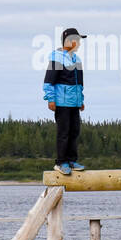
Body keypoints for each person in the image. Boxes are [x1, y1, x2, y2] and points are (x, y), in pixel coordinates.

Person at [43, 27, 87, 175]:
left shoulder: (77, 60)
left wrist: (80, 100)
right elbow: (49, 82)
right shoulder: (56, 58)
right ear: (69, 41)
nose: (79, 44)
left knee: (75, 131)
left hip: (74, 103)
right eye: (77, 41)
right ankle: (61, 162)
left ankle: (72, 160)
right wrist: (50, 99)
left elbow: (79, 84)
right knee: (64, 132)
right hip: (61, 102)